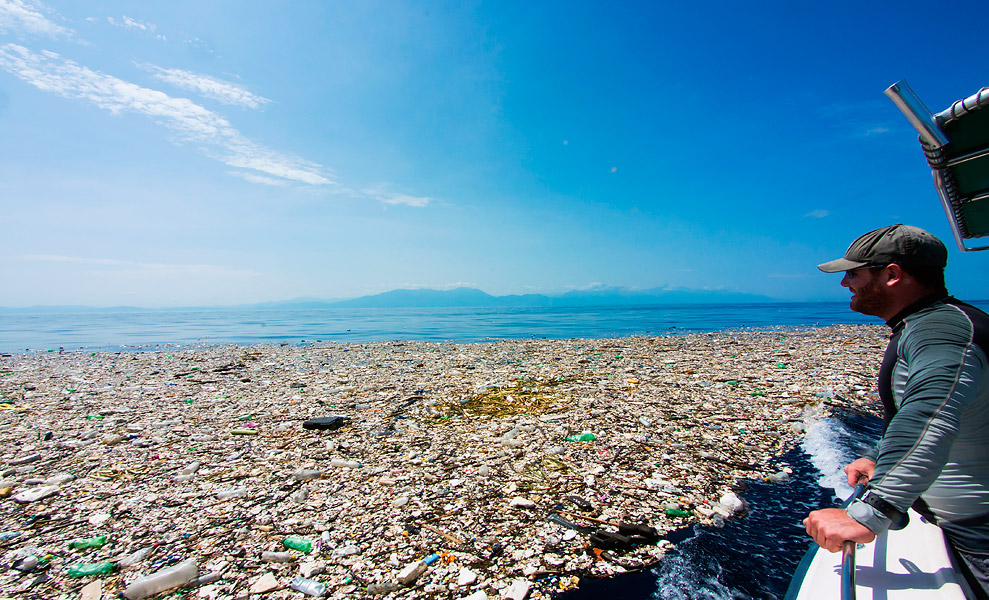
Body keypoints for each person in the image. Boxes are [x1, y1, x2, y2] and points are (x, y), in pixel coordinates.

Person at [803, 223, 989, 599]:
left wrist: (869, 512)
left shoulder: (940, 331)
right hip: (956, 525)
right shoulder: (930, 324)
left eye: (854, 273)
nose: (844, 283)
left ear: (891, 274)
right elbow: (932, 410)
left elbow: (930, 416)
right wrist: (879, 456)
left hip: (978, 538)